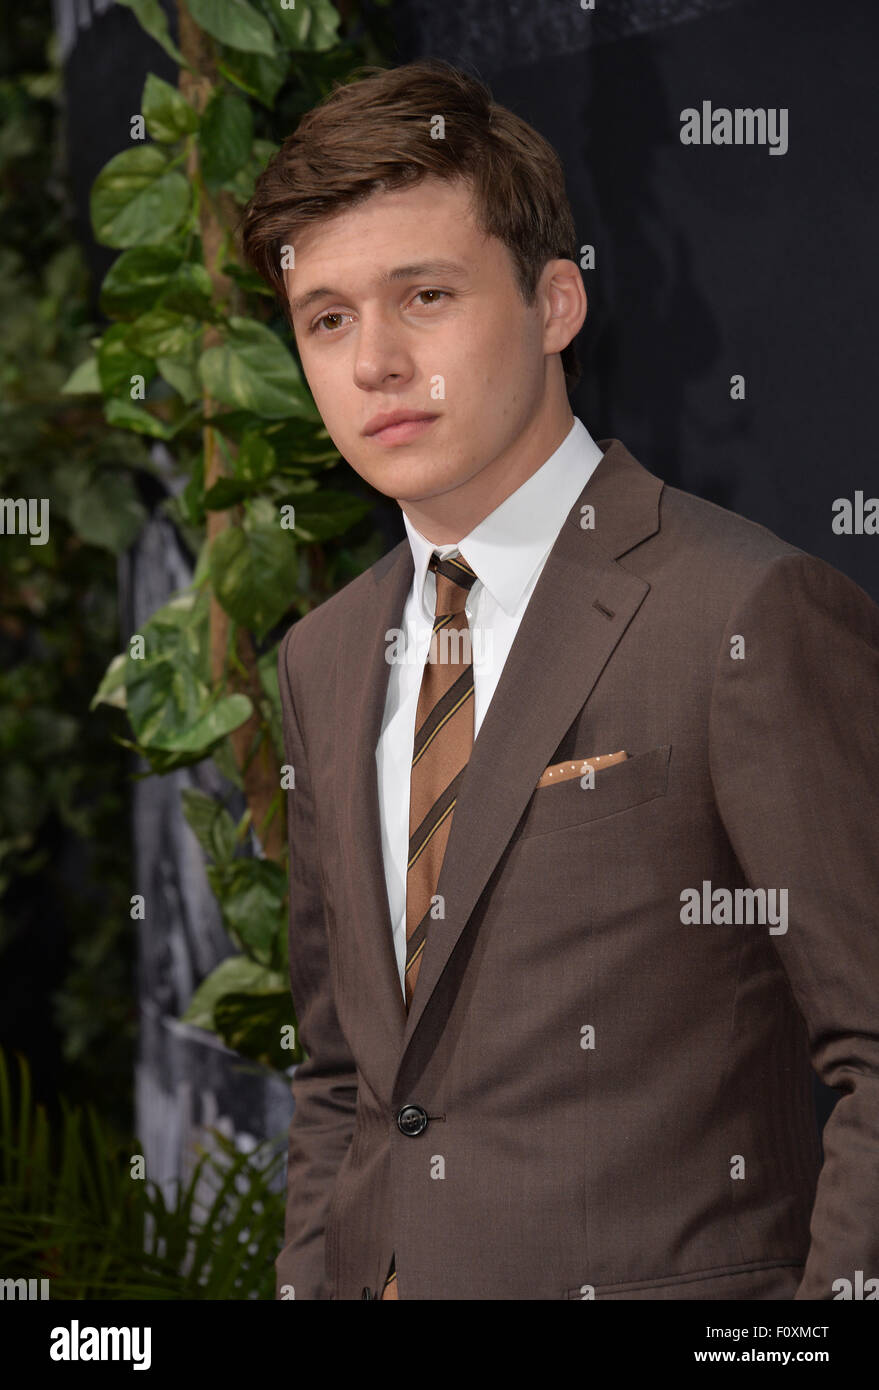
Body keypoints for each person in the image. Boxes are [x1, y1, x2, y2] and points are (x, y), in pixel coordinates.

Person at [241, 58, 879, 1300]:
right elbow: (346, 1076)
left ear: (554, 303)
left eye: (424, 295)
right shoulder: (323, 656)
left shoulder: (741, 611)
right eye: (326, 318)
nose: (374, 361)